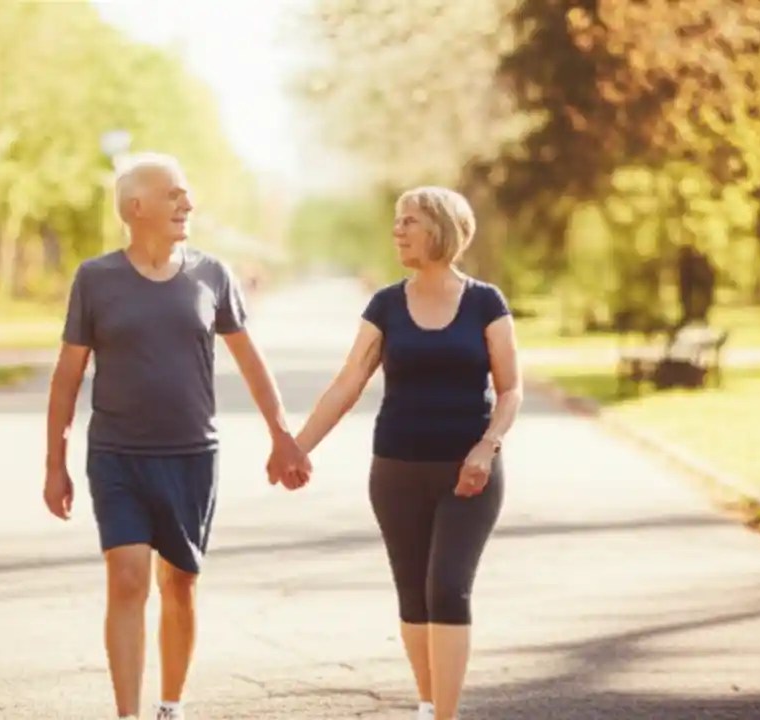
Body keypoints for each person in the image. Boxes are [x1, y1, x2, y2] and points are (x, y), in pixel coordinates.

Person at [42, 152, 310, 720]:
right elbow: (67, 376)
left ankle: (170, 704)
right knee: (128, 576)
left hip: (191, 455)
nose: (188, 204)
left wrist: (283, 435)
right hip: (116, 455)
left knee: (181, 584)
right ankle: (128, 715)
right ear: (136, 207)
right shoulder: (95, 279)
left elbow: (251, 361)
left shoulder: (212, 275)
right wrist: (54, 464)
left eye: (187, 195)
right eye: (175, 194)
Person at [290, 186, 523, 720]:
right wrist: (298, 446)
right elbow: (349, 380)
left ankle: (445, 714)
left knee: (448, 588)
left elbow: (510, 388)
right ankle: (428, 703)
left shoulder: (486, 302)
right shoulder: (386, 305)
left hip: (469, 474)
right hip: (396, 470)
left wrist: (487, 447)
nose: (397, 230)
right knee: (414, 596)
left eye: (409, 221)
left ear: (440, 228)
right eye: (397, 221)